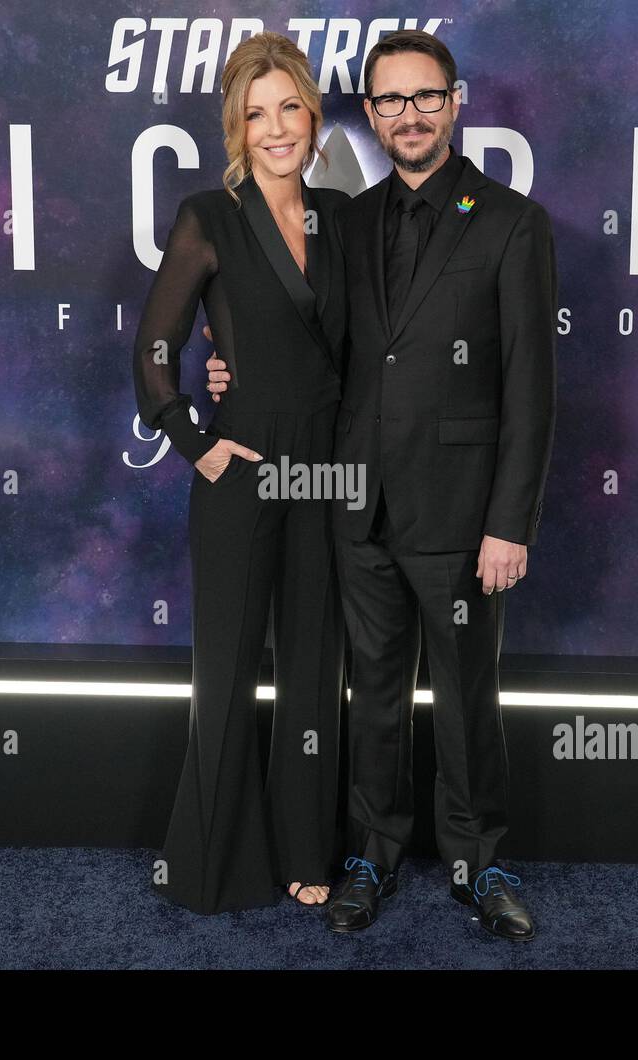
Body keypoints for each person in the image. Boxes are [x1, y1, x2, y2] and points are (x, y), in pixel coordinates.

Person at [202, 30, 559, 939]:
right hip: (354, 508)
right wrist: (226, 371)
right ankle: (371, 854)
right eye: (390, 100)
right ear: (369, 112)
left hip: (463, 516)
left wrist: (509, 522)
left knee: (469, 696)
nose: (408, 114)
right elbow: (305, 340)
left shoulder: (512, 222)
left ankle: (480, 865)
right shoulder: (343, 220)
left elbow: (530, 389)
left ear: (455, 100)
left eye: (424, 97)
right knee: (373, 696)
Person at [130, 32, 351, 914]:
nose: (275, 128)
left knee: (312, 667)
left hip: (328, 478)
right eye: (255, 114)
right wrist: (199, 440)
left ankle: (306, 852)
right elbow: (153, 351)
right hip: (239, 471)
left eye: (288, 107)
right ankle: (215, 863)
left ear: (312, 114)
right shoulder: (208, 217)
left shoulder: (344, 217)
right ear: (235, 127)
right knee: (222, 671)